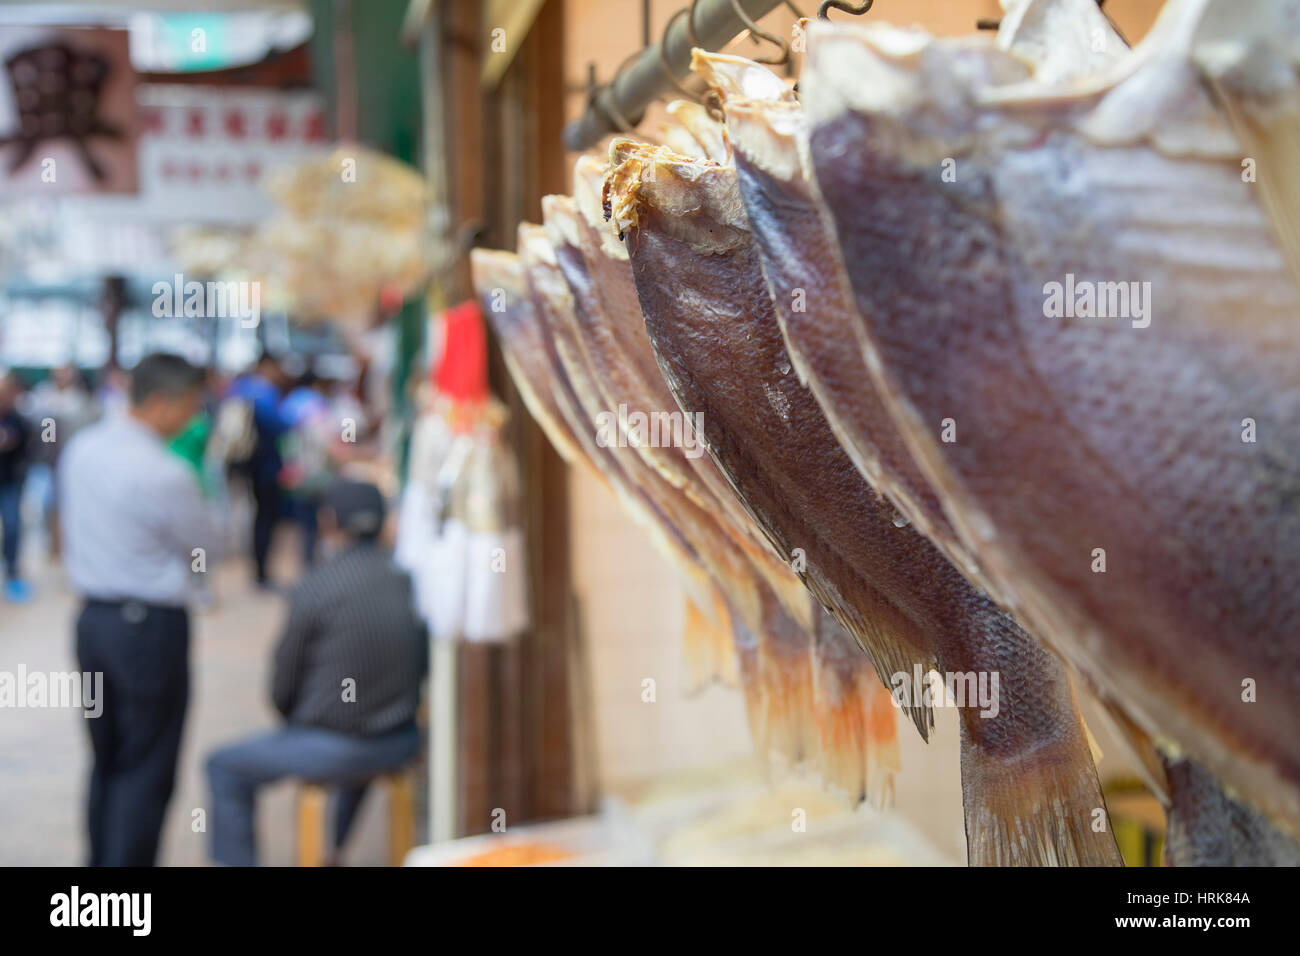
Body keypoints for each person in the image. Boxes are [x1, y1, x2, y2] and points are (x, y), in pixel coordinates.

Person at [206, 479, 426, 866]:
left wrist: (298, 724)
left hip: (334, 746)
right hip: (401, 739)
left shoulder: (318, 585)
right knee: (361, 723)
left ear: (328, 522)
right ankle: (334, 850)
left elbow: (282, 684)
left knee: (223, 767)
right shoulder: (407, 581)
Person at [60, 352, 212, 866]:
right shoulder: (166, 471)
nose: (193, 418)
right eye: (190, 405)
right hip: (149, 630)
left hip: (93, 623)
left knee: (108, 759)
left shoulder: (82, 450)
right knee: (145, 768)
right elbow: (199, 546)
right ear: (160, 403)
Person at [227, 354, 289, 588]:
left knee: (252, 516)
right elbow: (281, 425)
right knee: (265, 518)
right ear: (267, 366)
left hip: (241, 463)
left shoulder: (239, 388)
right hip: (266, 467)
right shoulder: (264, 392)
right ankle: (261, 573)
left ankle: (255, 567)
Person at [0, 373, 33, 602]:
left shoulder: (20, 420)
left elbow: (37, 443)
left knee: (12, 528)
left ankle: (12, 573)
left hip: (11, 482)